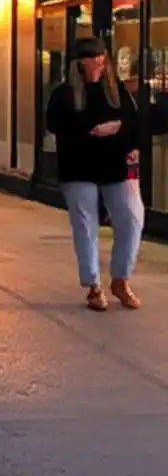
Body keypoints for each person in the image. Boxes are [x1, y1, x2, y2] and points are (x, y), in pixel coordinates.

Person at [46, 37, 144, 311]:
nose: (100, 63)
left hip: (115, 164)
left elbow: (133, 122)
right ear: (80, 63)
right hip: (78, 166)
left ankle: (121, 278)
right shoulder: (64, 94)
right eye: (94, 58)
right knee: (85, 224)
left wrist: (120, 132)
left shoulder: (116, 91)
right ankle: (93, 285)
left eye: (103, 58)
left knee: (132, 217)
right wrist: (95, 129)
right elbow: (56, 124)